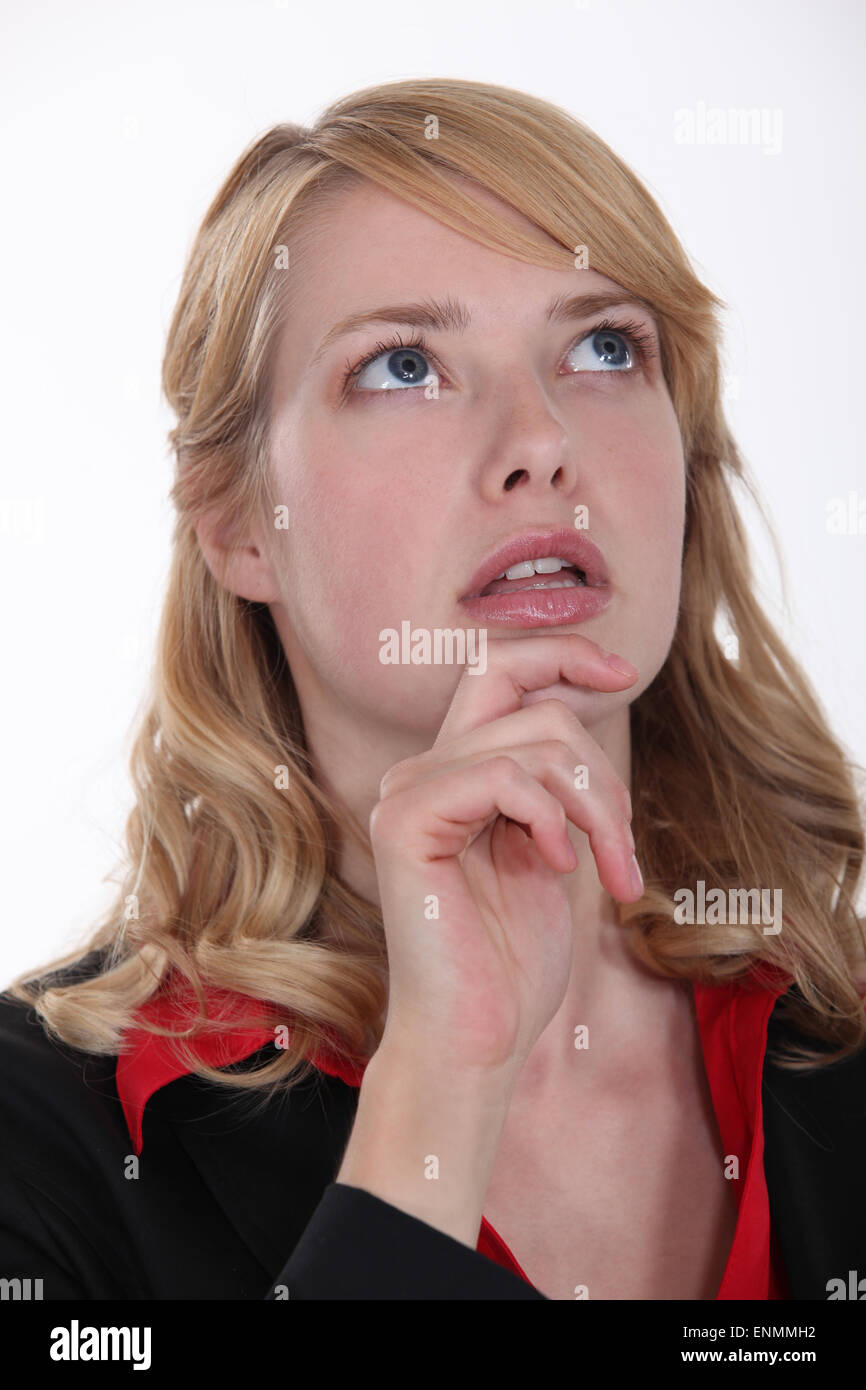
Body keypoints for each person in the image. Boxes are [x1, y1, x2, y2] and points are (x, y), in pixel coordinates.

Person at [2, 76, 864, 1303]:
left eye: (603, 346)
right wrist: (440, 1093)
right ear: (236, 520)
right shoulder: (44, 1134)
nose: (541, 440)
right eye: (404, 363)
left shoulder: (836, 1039)